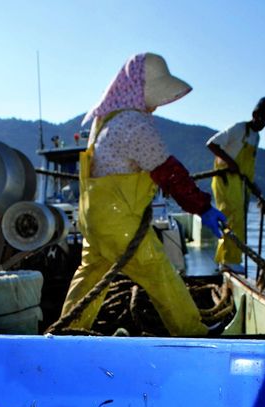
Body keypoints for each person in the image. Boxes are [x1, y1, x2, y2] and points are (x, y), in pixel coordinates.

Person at [60, 53, 226, 337]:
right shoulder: (135, 124)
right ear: (141, 90)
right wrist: (203, 208)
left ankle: (68, 332)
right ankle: (192, 333)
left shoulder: (104, 122)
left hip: (92, 219)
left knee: (89, 276)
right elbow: (170, 173)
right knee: (157, 270)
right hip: (119, 222)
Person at [206, 97, 265, 273]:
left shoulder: (256, 137)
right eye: (263, 118)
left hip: (242, 184)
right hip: (226, 180)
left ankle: (229, 259)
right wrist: (230, 162)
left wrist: (254, 186)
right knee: (232, 218)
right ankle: (229, 260)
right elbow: (212, 144)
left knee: (240, 220)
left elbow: (248, 167)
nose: (264, 123)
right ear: (254, 114)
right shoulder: (239, 129)